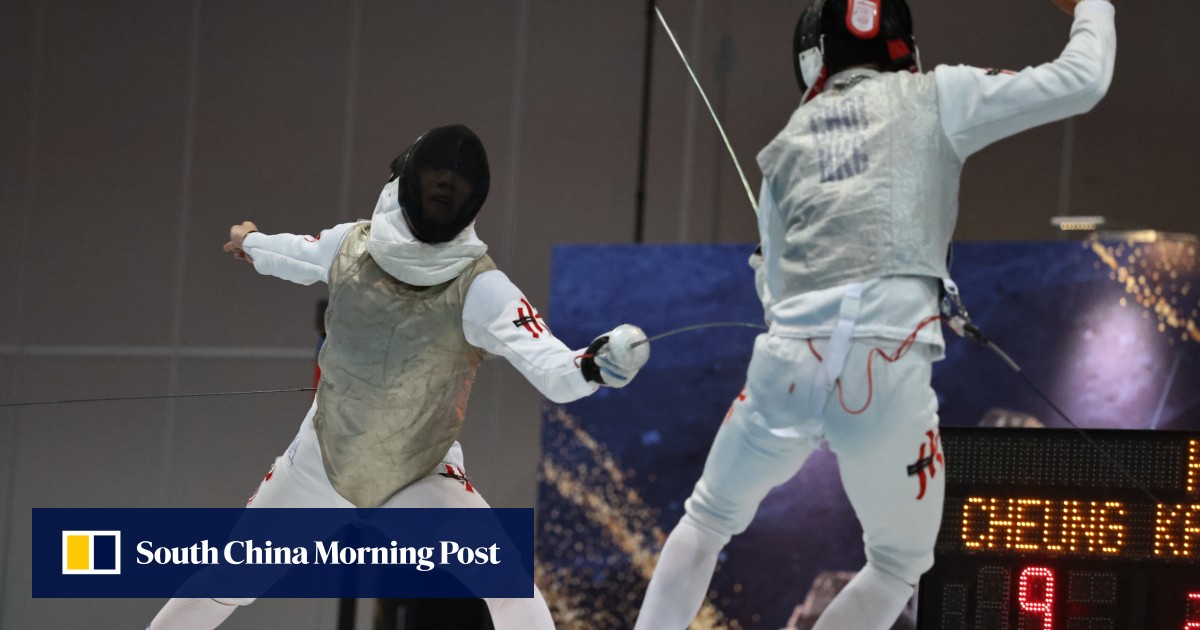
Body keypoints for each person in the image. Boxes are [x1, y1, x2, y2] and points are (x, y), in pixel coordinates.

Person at [635, 0, 1115, 628]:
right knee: (895, 566)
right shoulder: (938, 95)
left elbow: (772, 288)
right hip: (888, 375)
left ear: (813, 58)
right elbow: (1083, 80)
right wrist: (1092, 5)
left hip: (787, 367)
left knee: (707, 518)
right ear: (903, 45)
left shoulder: (785, 146)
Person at [149, 123, 650, 629]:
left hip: (420, 477)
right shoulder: (349, 246)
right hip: (320, 463)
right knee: (222, 582)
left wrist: (593, 364)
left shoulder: (482, 288)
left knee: (510, 587)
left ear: (473, 202)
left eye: (457, 185)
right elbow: (290, 253)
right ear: (409, 176)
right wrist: (251, 241)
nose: (444, 188)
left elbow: (555, 369)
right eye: (436, 175)